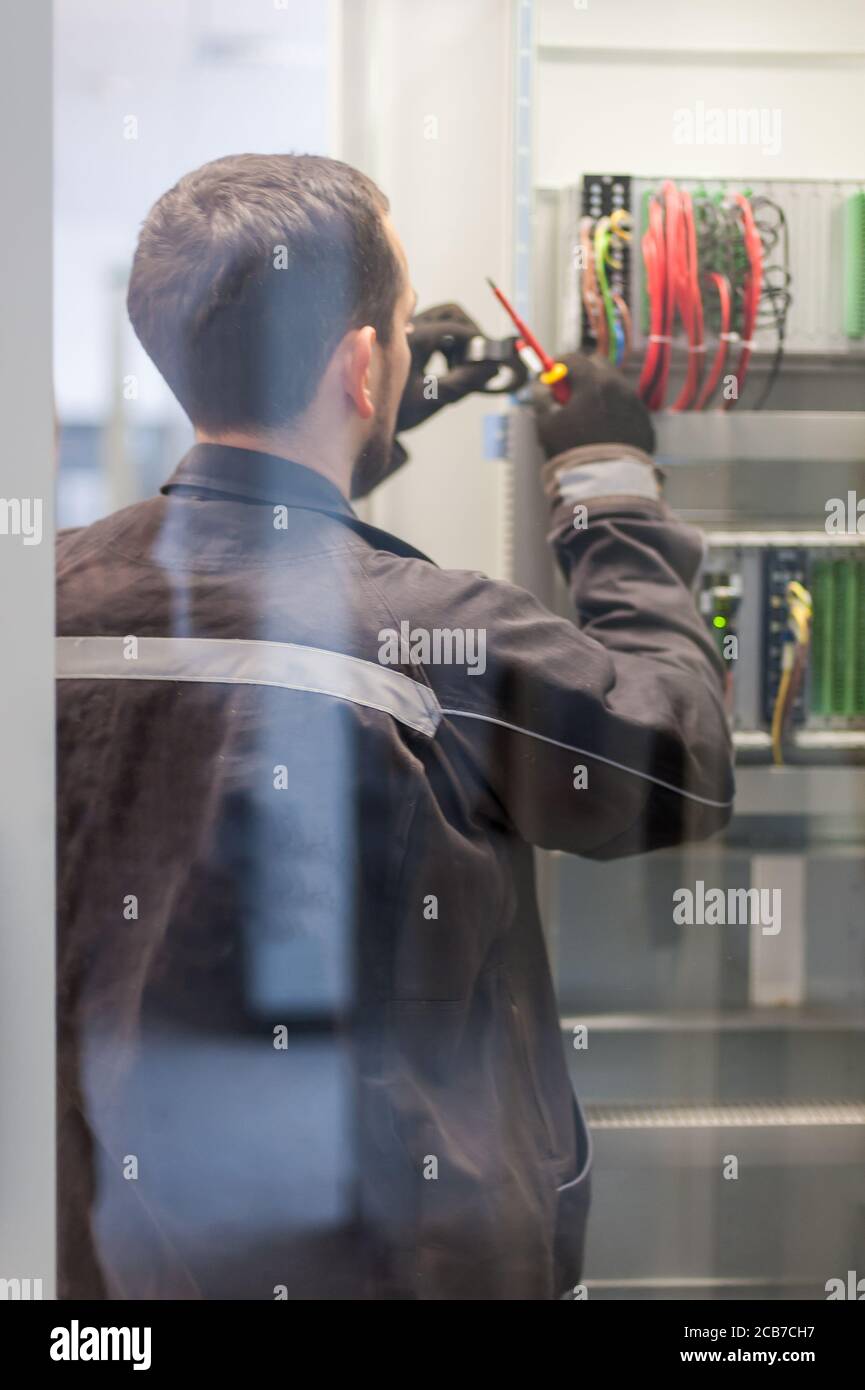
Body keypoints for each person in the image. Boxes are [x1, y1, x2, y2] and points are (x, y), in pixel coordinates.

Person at [56, 153, 734, 1301]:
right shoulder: (431, 640)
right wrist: (611, 489)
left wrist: (344, 427)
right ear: (362, 365)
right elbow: (677, 764)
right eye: (404, 328)